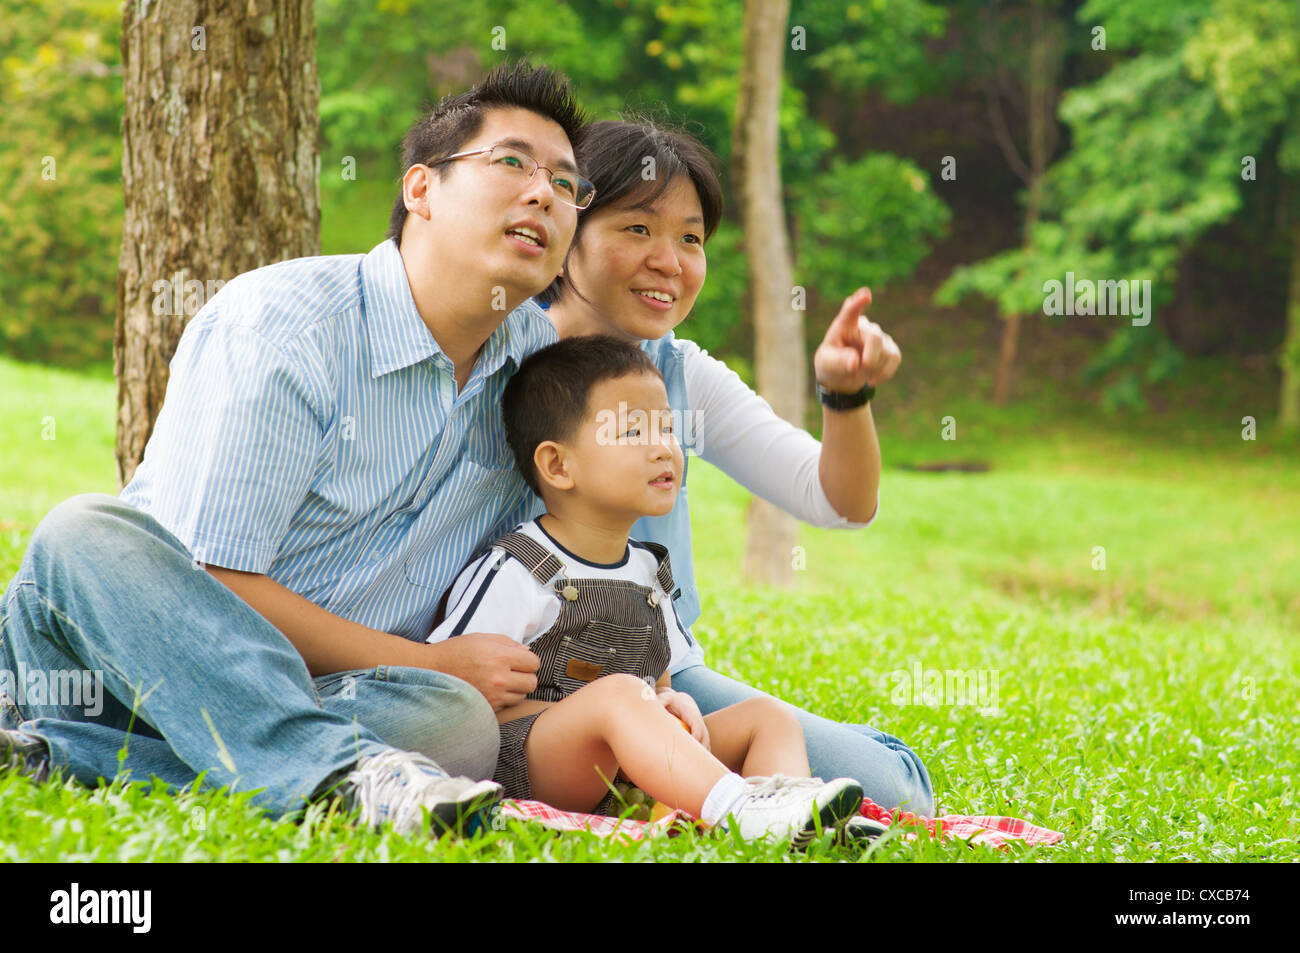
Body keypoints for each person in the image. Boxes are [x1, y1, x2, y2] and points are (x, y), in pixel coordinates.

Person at [0, 61, 592, 836]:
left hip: (318, 693)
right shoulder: (282, 324)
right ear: (421, 190)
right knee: (84, 530)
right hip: (116, 663)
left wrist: (644, 693)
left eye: (566, 184)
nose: (544, 193)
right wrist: (431, 660)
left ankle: (51, 757)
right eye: (512, 162)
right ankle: (343, 770)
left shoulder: (530, 370)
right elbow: (208, 579)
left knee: (456, 723)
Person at [535, 119, 936, 816]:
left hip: (661, 674)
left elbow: (840, 501)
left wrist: (845, 395)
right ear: (571, 231)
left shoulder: (682, 375)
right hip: (531, 685)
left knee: (896, 789)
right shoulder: (506, 362)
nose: (671, 260)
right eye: (638, 228)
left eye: (691, 238)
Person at [427, 335, 866, 844]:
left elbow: (658, 680)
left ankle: (791, 819)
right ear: (558, 465)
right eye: (633, 431)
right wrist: (624, 706)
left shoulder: (648, 570)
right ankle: (735, 807)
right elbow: (452, 697)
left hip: (632, 767)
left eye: (667, 428)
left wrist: (669, 702)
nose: (663, 447)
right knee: (615, 695)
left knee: (767, 717)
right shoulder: (519, 566)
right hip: (538, 764)